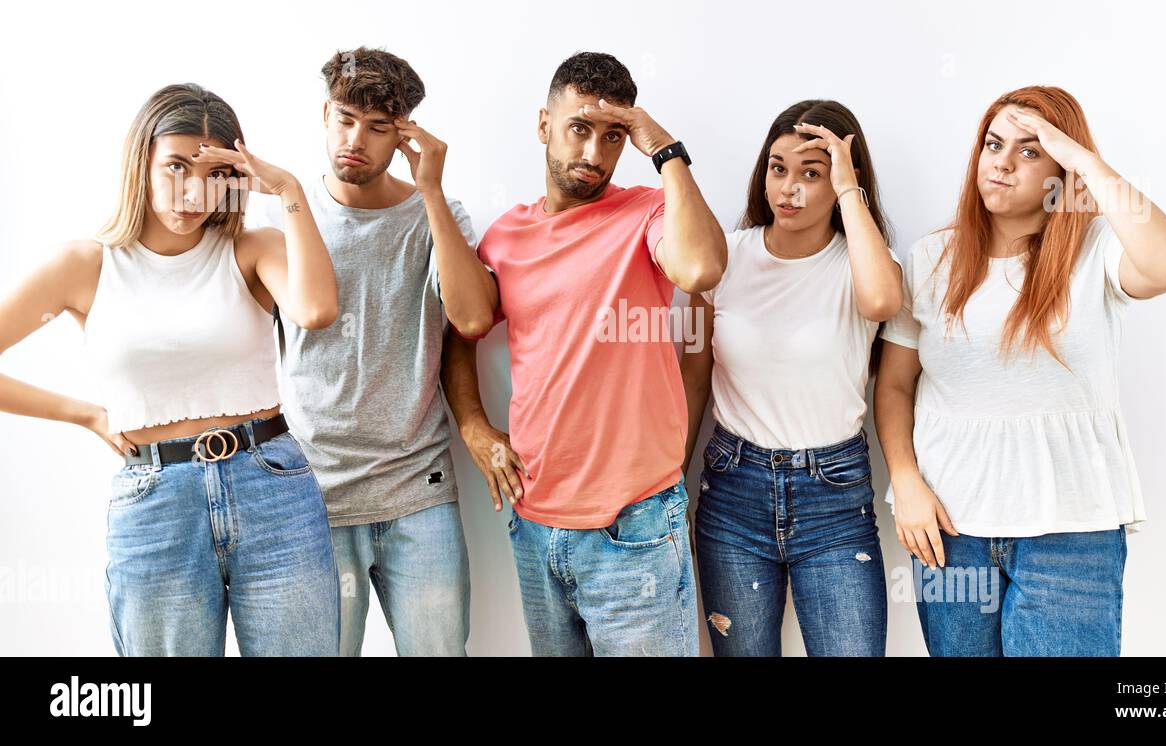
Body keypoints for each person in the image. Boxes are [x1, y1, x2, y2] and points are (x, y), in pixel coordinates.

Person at [0, 83, 341, 655]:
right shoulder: (85, 266)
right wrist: (85, 415)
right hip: (156, 501)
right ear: (142, 162)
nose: (193, 192)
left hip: (273, 486)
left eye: (214, 174)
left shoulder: (253, 249)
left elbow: (316, 310)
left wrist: (286, 188)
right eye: (176, 167)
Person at [874, 86, 1166, 656]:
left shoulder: (1096, 249)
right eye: (993, 144)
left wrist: (1085, 161)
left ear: (1061, 170)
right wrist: (905, 480)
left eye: (1030, 151)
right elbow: (896, 385)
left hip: (1072, 531)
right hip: (952, 527)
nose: (1001, 161)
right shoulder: (930, 260)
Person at [442, 51, 727, 656]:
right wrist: (471, 424)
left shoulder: (647, 210)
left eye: (613, 135)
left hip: (635, 526)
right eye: (579, 128)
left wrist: (668, 152)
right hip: (534, 521)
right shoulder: (506, 235)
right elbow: (461, 330)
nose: (596, 154)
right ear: (544, 124)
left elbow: (701, 267)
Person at [247, 47, 490, 656]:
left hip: (419, 487)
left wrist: (431, 190)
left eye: (379, 127)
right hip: (311, 493)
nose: (356, 139)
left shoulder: (438, 216)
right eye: (346, 119)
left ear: (404, 134)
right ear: (324, 113)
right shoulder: (284, 222)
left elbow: (472, 318)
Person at [680, 99, 901, 656]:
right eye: (778, 168)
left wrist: (851, 191)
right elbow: (692, 378)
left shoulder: (868, 263)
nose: (789, 189)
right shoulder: (722, 258)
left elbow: (881, 303)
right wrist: (670, 488)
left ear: (845, 183)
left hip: (833, 496)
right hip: (733, 490)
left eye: (812, 173)